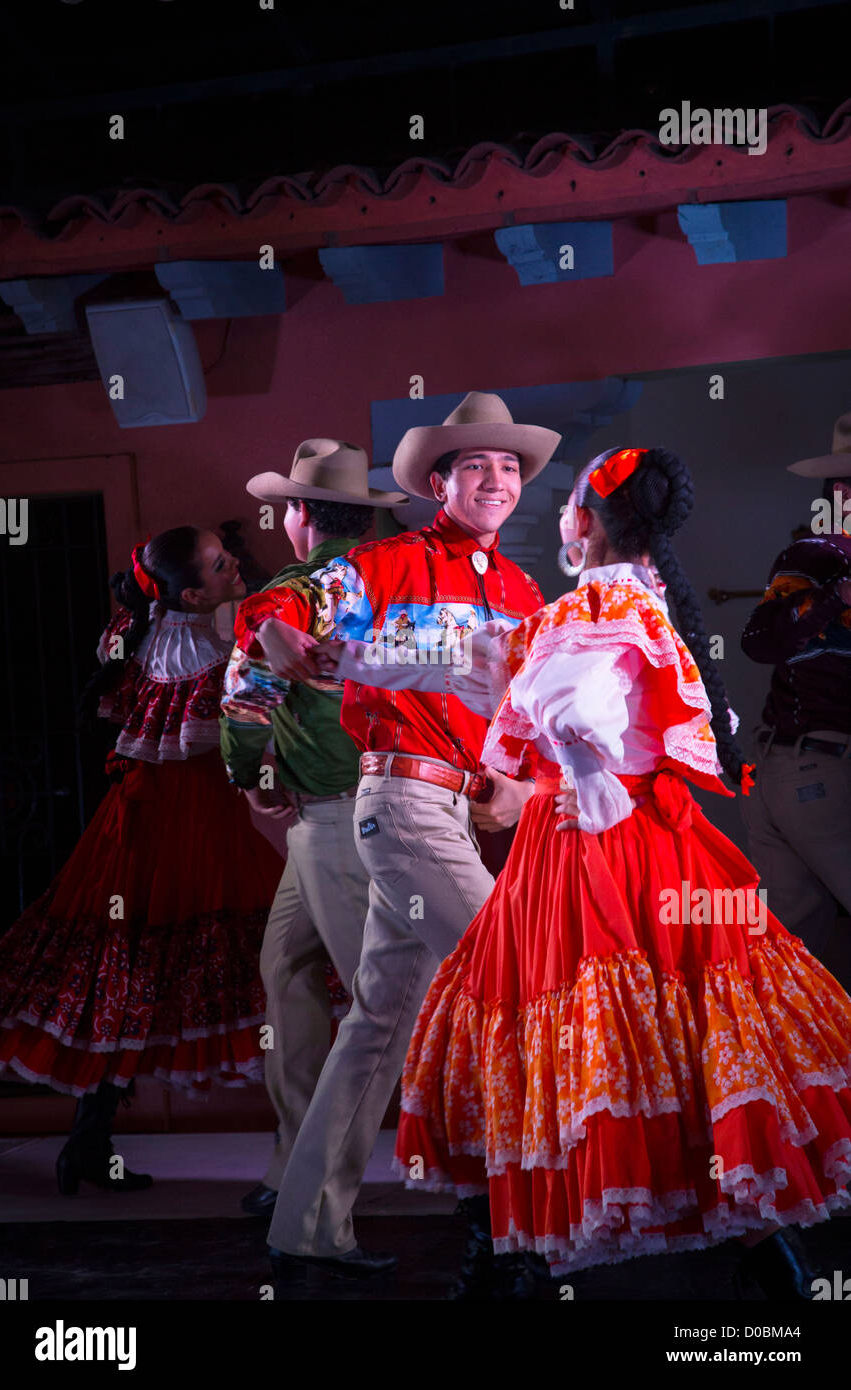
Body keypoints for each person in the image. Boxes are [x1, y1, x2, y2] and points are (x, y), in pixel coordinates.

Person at [324, 445, 851, 1296]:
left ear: (585, 521)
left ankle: (524, 1257)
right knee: (680, 1045)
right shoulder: (632, 598)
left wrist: (588, 782)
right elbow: (502, 674)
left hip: (598, 853)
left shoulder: (597, 601)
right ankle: (747, 1253)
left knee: (573, 1032)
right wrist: (350, 659)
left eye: (565, 500)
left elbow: (577, 710)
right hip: (643, 846)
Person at [248, 392, 560, 1278]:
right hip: (403, 804)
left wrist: (522, 781)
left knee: (378, 1021)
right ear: (437, 482)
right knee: (518, 980)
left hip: (457, 806)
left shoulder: (520, 588)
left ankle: (306, 1226)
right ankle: (515, 1216)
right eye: (476, 466)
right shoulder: (385, 561)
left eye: (509, 468)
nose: (496, 479)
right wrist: (279, 636)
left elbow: (525, 707)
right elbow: (274, 619)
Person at [0, 527, 281, 1193]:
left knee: (134, 972)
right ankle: (296, 1161)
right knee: (235, 966)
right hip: (186, 829)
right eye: (218, 562)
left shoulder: (151, 631)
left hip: (147, 825)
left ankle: (90, 1143)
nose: (233, 561)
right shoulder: (217, 638)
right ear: (194, 591)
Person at [219, 438, 407, 1217]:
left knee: (384, 1009)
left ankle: (324, 1197)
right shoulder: (392, 580)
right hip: (343, 812)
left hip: (339, 813)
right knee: (288, 973)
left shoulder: (296, 592)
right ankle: (294, 1162)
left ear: (297, 515)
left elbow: (245, 698)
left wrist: (246, 771)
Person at [740, 416, 851, 990]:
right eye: (844, 486)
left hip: (801, 767)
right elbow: (760, 641)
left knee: (791, 953)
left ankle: (788, 1074)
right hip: (816, 768)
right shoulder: (812, 558)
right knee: (789, 950)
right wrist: (835, 598)